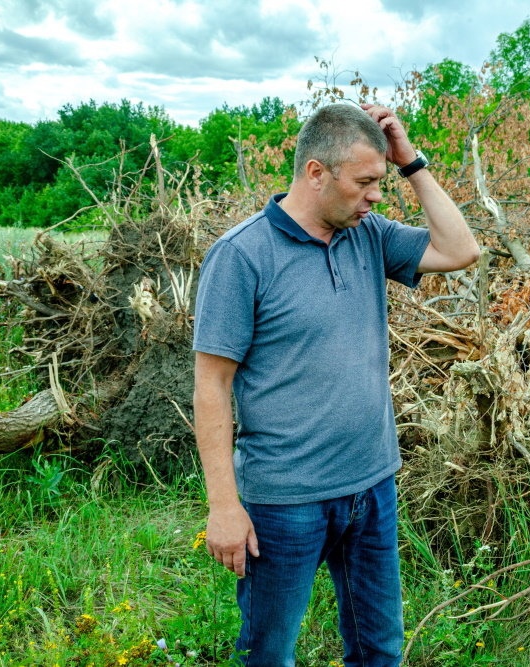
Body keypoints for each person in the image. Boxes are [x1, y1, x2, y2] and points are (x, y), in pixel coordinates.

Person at [191, 101, 480, 667]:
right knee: (269, 653)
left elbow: (460, 250)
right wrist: (224, 503)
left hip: (371, 485)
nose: (377, 195)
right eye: (366, 182)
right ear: (316, 173)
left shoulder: (368, 236)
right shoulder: (241, 255)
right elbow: (211, 386)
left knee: (380, 650)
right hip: (284, 500)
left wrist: (410, 162)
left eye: (381, 181)